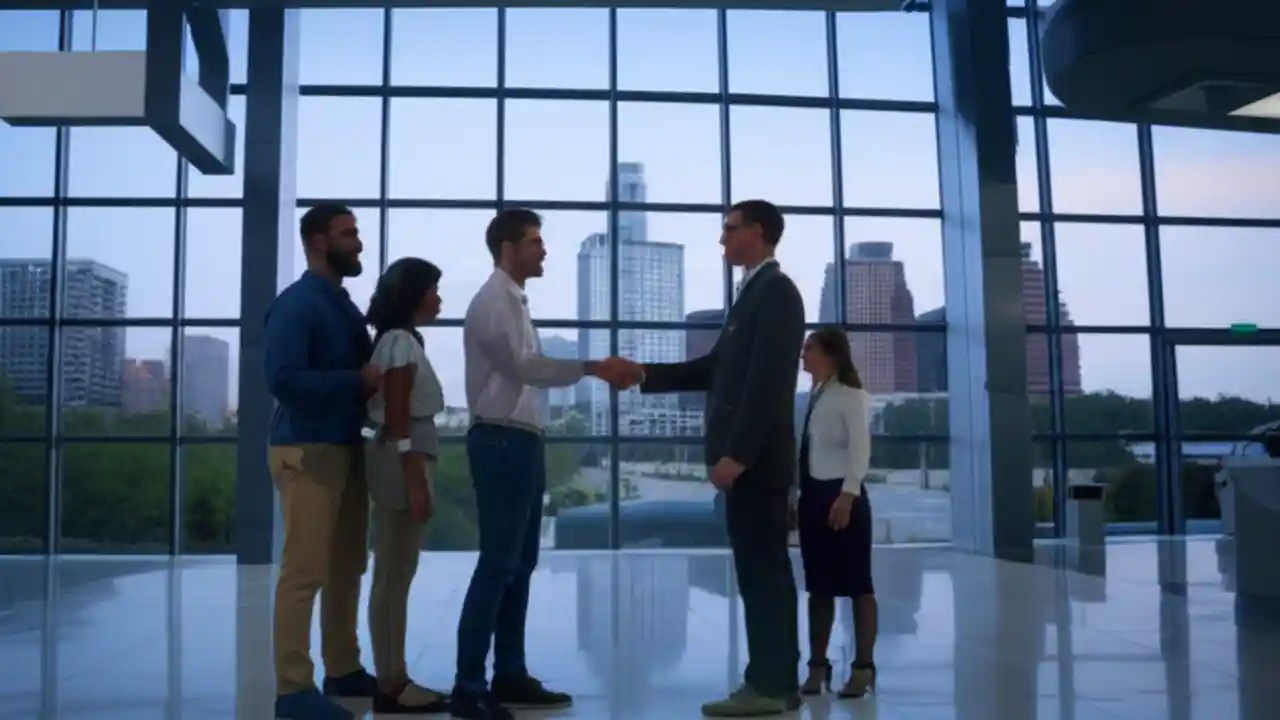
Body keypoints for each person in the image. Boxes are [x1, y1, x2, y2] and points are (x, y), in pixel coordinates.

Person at [623, 199, 807, 717]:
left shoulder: (776, 294)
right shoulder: (751, 296)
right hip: (750, 465)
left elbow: (768, 386)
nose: (722, 240)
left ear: (760, 233)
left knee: (763, 574)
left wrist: (739, 455)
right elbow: (717, 370)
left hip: (756, 466)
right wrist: (643, 374)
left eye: (730, 229)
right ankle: (769, 680)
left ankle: (771, 686)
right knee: (757, 574)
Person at [451, 208, 632, 720]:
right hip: (502, 442)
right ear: (508, 248)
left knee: (520, 565)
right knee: (499, 565)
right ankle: (469, 686)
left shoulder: (514, 300)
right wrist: (594, 366)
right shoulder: (494, 299)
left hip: (522, 441)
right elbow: (524, 366)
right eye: (535, 241)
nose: (544, 250)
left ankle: (508, 674)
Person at [264, 204, 380, 720]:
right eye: (348, 233)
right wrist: (357, 382)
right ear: (317, 241)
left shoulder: (341, 304)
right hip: (308, 449)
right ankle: (292, 690)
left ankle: (343, 668)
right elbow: (283, 378)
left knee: (346, 567)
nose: (358, 242)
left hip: (343, 446)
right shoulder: (297, 304)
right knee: (305, 571)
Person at [362, 257, 450, 715]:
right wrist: (415, 476)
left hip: (403, 455)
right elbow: (398, 417)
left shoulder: (399, 341)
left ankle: (392, 677)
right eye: (434, 289)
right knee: (394, 575)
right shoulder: (399, 342)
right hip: (404, 459)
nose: (439, 298)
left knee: (394, 574)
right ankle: (392, 684)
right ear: (413, 294)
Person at [794, 328, 877, 699]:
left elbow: (860, 450)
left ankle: (862, 667)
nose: (802, 354)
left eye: (809, 348)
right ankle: (817, 667)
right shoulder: (817, 395)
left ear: (830, 354)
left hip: (843, 496)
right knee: (819, 587)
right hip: (815, 494)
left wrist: (847, 495)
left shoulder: (851, 397)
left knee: (858, 585)